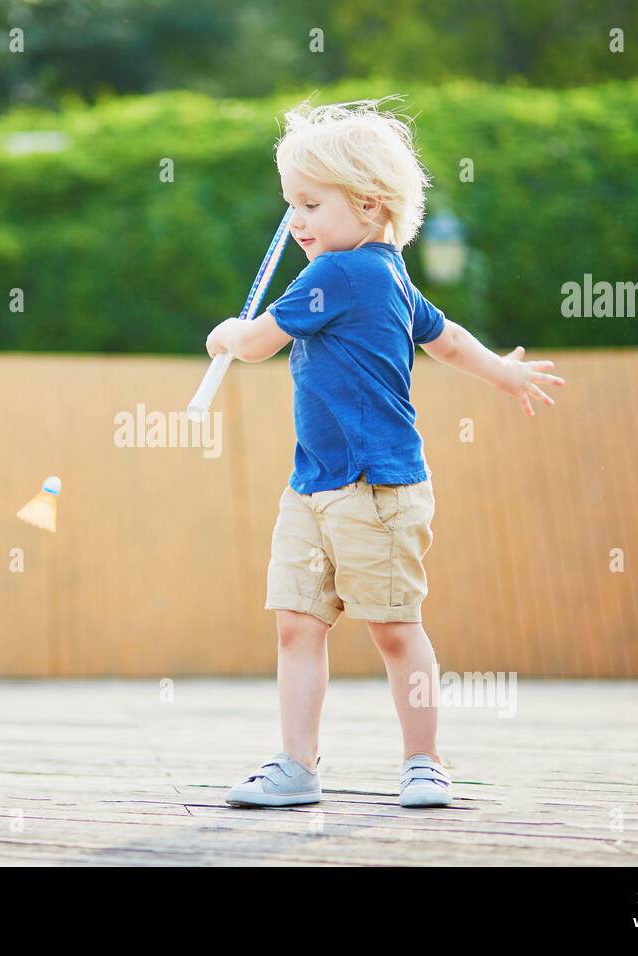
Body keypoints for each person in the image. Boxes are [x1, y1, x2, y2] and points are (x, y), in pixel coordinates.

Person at [205, 97, 565, 809]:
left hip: (377, 490)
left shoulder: (340, 276)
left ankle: (424, 761)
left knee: (395, 631)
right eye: (291, 208)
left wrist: (223, 334)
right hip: (314, 485)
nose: (296, 222)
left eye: (309, 205)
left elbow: (254, 344)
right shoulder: (389, 273)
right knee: (297, 623)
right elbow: (448, 337)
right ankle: (297, 765)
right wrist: (505, 372)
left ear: (369, 204)